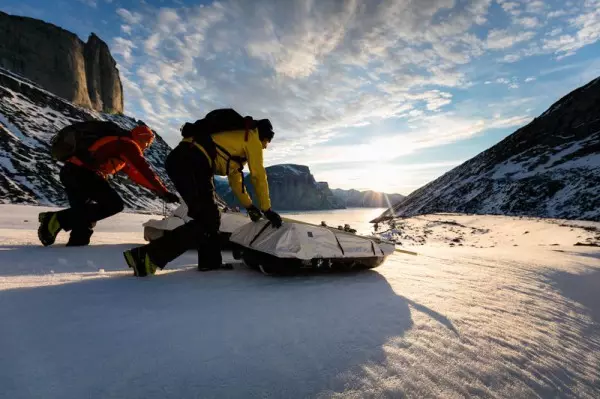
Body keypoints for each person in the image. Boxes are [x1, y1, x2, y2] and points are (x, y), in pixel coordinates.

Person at [123, 113, 282, 277]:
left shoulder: (236, 150)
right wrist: (267, 209)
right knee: (207, 217)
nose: (265, 147)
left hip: (184, 160)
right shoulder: (252, 139)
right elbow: (258, 175)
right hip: (193, 160)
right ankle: (148, 256)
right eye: (267, 142)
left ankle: (210, 264)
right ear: (262, 135)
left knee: (209, 216)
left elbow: (237, 183)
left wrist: (249, 207)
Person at [38, 121, 178, 247]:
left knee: (82, 224)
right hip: (82, 174)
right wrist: (163, 191)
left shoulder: (119, 144)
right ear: (140, 137)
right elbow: (142, 171)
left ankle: (70, 246)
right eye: (147, 141)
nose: (146, 146)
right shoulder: (128, 145)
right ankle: (56, 219)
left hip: (71, 173)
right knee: (113, 205)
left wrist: (158, 191)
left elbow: (135, 175)